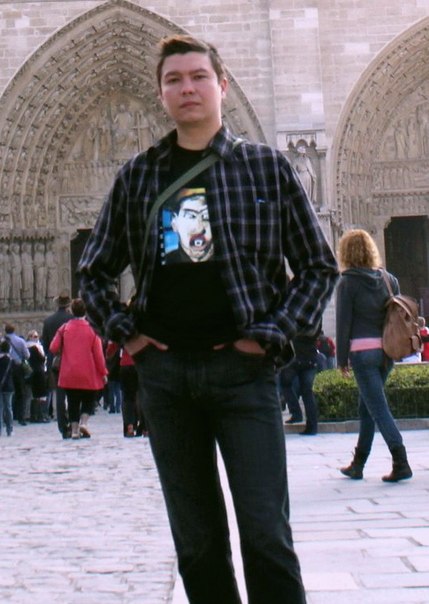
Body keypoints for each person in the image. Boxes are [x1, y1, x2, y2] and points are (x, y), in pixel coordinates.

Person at [78, 35, 338, 604]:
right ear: (160, 93)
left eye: (198, 77)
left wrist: (270, 335)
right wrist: (128, 336)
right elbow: (93, 272)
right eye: (174, 80)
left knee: (267, 536)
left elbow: (319, 267)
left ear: (221, 85)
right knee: (196, 544)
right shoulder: (137, 176)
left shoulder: (267, 168)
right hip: (166, 379)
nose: (187, 88)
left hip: (245, 375)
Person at [336, 229, 412, 483]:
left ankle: (401, 461)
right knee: (367, 406)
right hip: (387, 352)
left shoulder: (347, 283)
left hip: (363, 353)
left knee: (377, 408)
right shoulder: (388, 279)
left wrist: (341, 359)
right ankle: (358, 463)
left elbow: (343, 324)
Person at [49, 298, 107, 440]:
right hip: (88, 372)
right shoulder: (92, 329)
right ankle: (84, 422)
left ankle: (74, 431)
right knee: (89, 398)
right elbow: (98, 354)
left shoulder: (64, 328)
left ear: (71, 311)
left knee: (72, 401)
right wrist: (103, 372)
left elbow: (53, 347)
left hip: (69, 371)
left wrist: (65, 350)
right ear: (85, 311)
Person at [41, 291, 73, 438]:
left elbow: (46, 344)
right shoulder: (72, 319)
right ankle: (74, 423)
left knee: (59, 394)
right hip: (71, 359)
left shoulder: (48, 321)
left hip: (55, 361)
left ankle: (62, 426)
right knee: (73, 393)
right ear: (68, 305)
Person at [279, 335, 319, 434]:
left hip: (296, 358)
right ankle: (312, 425)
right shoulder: (312, 327)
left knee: (285, 383)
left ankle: (296, 413)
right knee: (307, 391)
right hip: (309, 358)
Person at [4, 323, 30, 426]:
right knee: (21, 392)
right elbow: (27, 355)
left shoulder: (2, 341)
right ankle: (21, 417)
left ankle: (6, 417)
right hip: (18, 367)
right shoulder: (20, 341)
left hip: (5, 367)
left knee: (6, 392)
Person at [26, 330, 49, 423]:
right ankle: (41, 416)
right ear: (30, 337)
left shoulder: (26, 347)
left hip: (31, 372)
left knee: (34, 394)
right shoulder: (36, 347)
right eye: (35, 336)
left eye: (37, 336)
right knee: (41, 394)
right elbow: (42, 359)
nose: (36, 338)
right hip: (39, 371)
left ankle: (34, 415)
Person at [0, 339, 14, 436]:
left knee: (0, 408)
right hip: (8, 386)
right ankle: (9, 429)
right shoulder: (11, 361)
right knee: (8, 408)